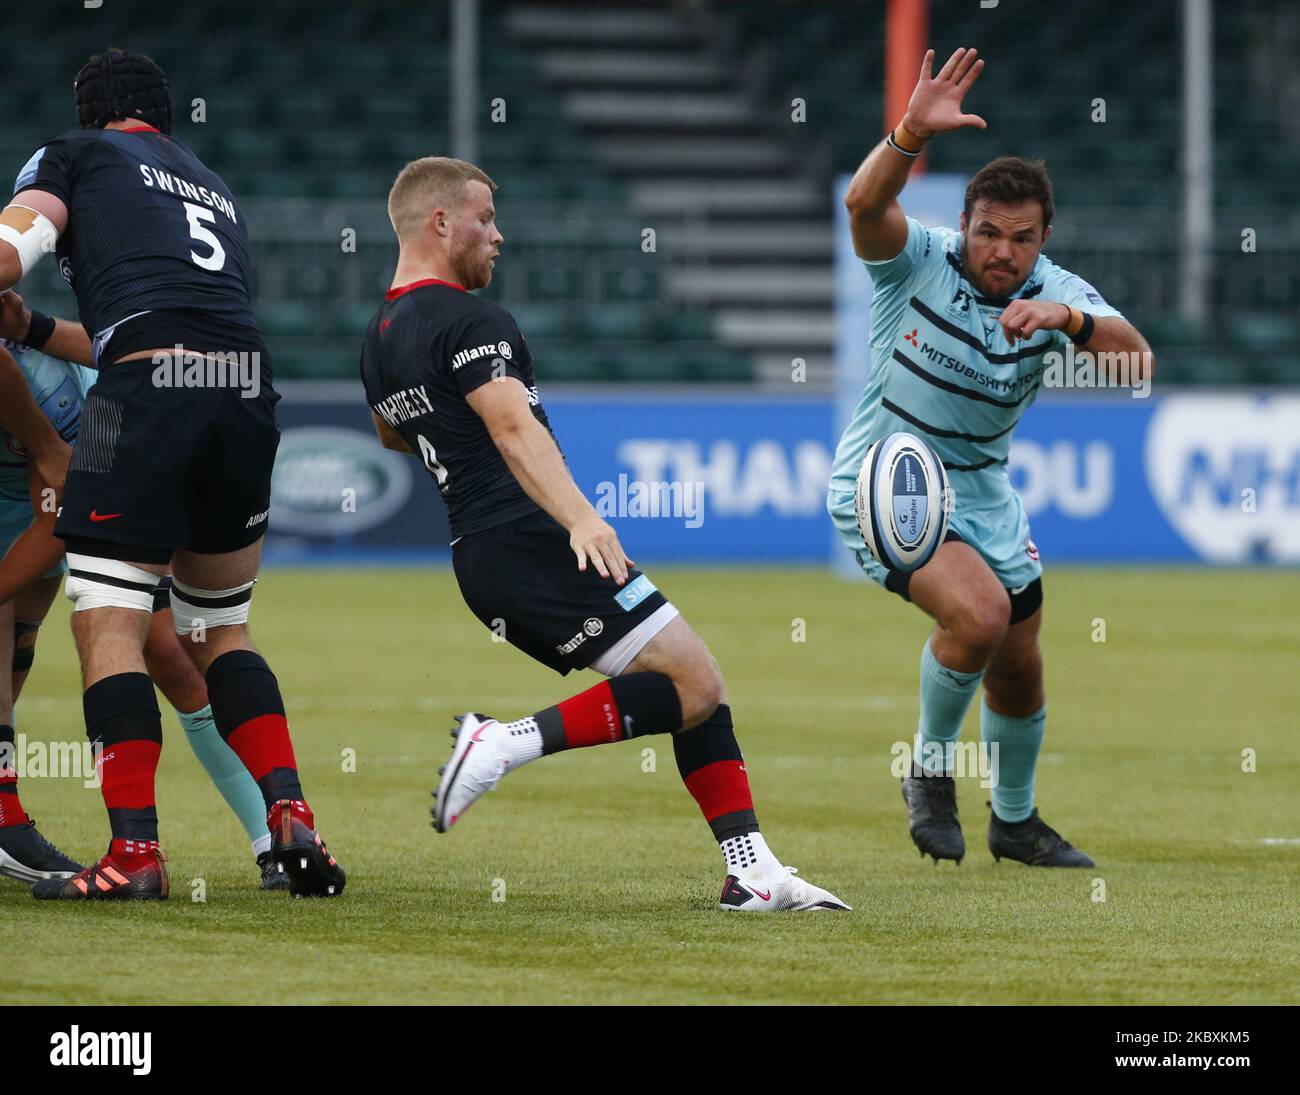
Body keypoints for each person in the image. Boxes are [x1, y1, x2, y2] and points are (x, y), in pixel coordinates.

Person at [361, 156, 848, 912]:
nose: (499, 235)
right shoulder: (471, 319)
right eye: (486, 219)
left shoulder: (380, 334)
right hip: (529, 537)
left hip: (481, 550)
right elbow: (513, 427)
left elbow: (395, 438)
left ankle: (751, 869)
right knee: (697, 681)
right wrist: (582, 516)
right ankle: (500, 743)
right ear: (440, 222)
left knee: (692, 681)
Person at [0, 48, 343, 898]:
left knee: (108, 623)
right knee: (220, 629)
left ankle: (135, 856)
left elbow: (20, 239)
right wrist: (39, 328)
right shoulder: (213, 185)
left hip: (143, 397)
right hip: (243, 390)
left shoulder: (74, 155)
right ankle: (291, 813)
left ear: (89, 113)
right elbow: (164, 319)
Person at [829, 48, 1153, 866]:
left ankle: (1015, 821)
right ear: (964, 223)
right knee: (977, 615)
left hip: (981, 489)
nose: (1001, 251)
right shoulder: (919, 261)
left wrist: (1065, 322)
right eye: (987, 233)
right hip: (889, 477)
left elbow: (1137, 362)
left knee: (1019, 663)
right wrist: (907, 132)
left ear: (1043, 239)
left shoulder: (1055, 291)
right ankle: (930, 771)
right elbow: (863, 203)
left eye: (1020, 239)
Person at [0, 299, 287, 891]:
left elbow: (59, 515)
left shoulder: (66, 397)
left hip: (74, 488)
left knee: (170, 651)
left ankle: (273, 836)